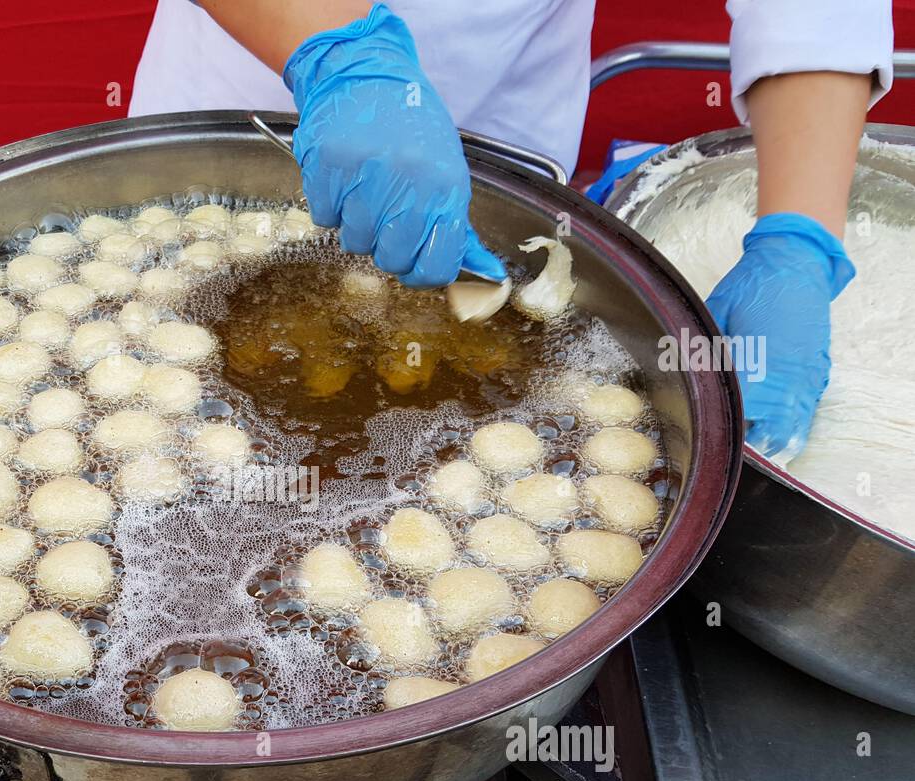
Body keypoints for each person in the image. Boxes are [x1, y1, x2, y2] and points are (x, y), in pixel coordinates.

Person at [129, 1, 895, 459]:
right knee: (169, 387)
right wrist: (340, 56)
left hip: (497, 119)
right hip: (246, 93)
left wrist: (797, 232)